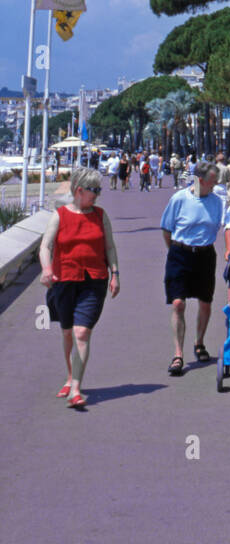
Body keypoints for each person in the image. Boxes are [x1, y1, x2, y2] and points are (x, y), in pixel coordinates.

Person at [38, 167, 120, 408]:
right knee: (67, 332)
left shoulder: (100, 215)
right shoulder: (61, 215)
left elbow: (110, 248)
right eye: (93, 190)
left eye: (99, 189)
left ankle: (75, 388)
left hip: (94, 280)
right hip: (63, 280)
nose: (97, 194)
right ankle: (70, 376)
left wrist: (115, 273)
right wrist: (46, 269)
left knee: (82, 333)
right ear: (79, 190)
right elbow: (45, 246)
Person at [160, 160, 224, 376]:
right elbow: (167, 229)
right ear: (199, 180)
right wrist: (176, 250)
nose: (215, 185)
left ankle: (199, 342)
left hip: (205, 255)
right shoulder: (179, 199)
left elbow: (219, 226)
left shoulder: (216, 201)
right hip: (180, 253)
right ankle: (178, 354)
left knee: (205, 302)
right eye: (212, 182)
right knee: (178, 303)